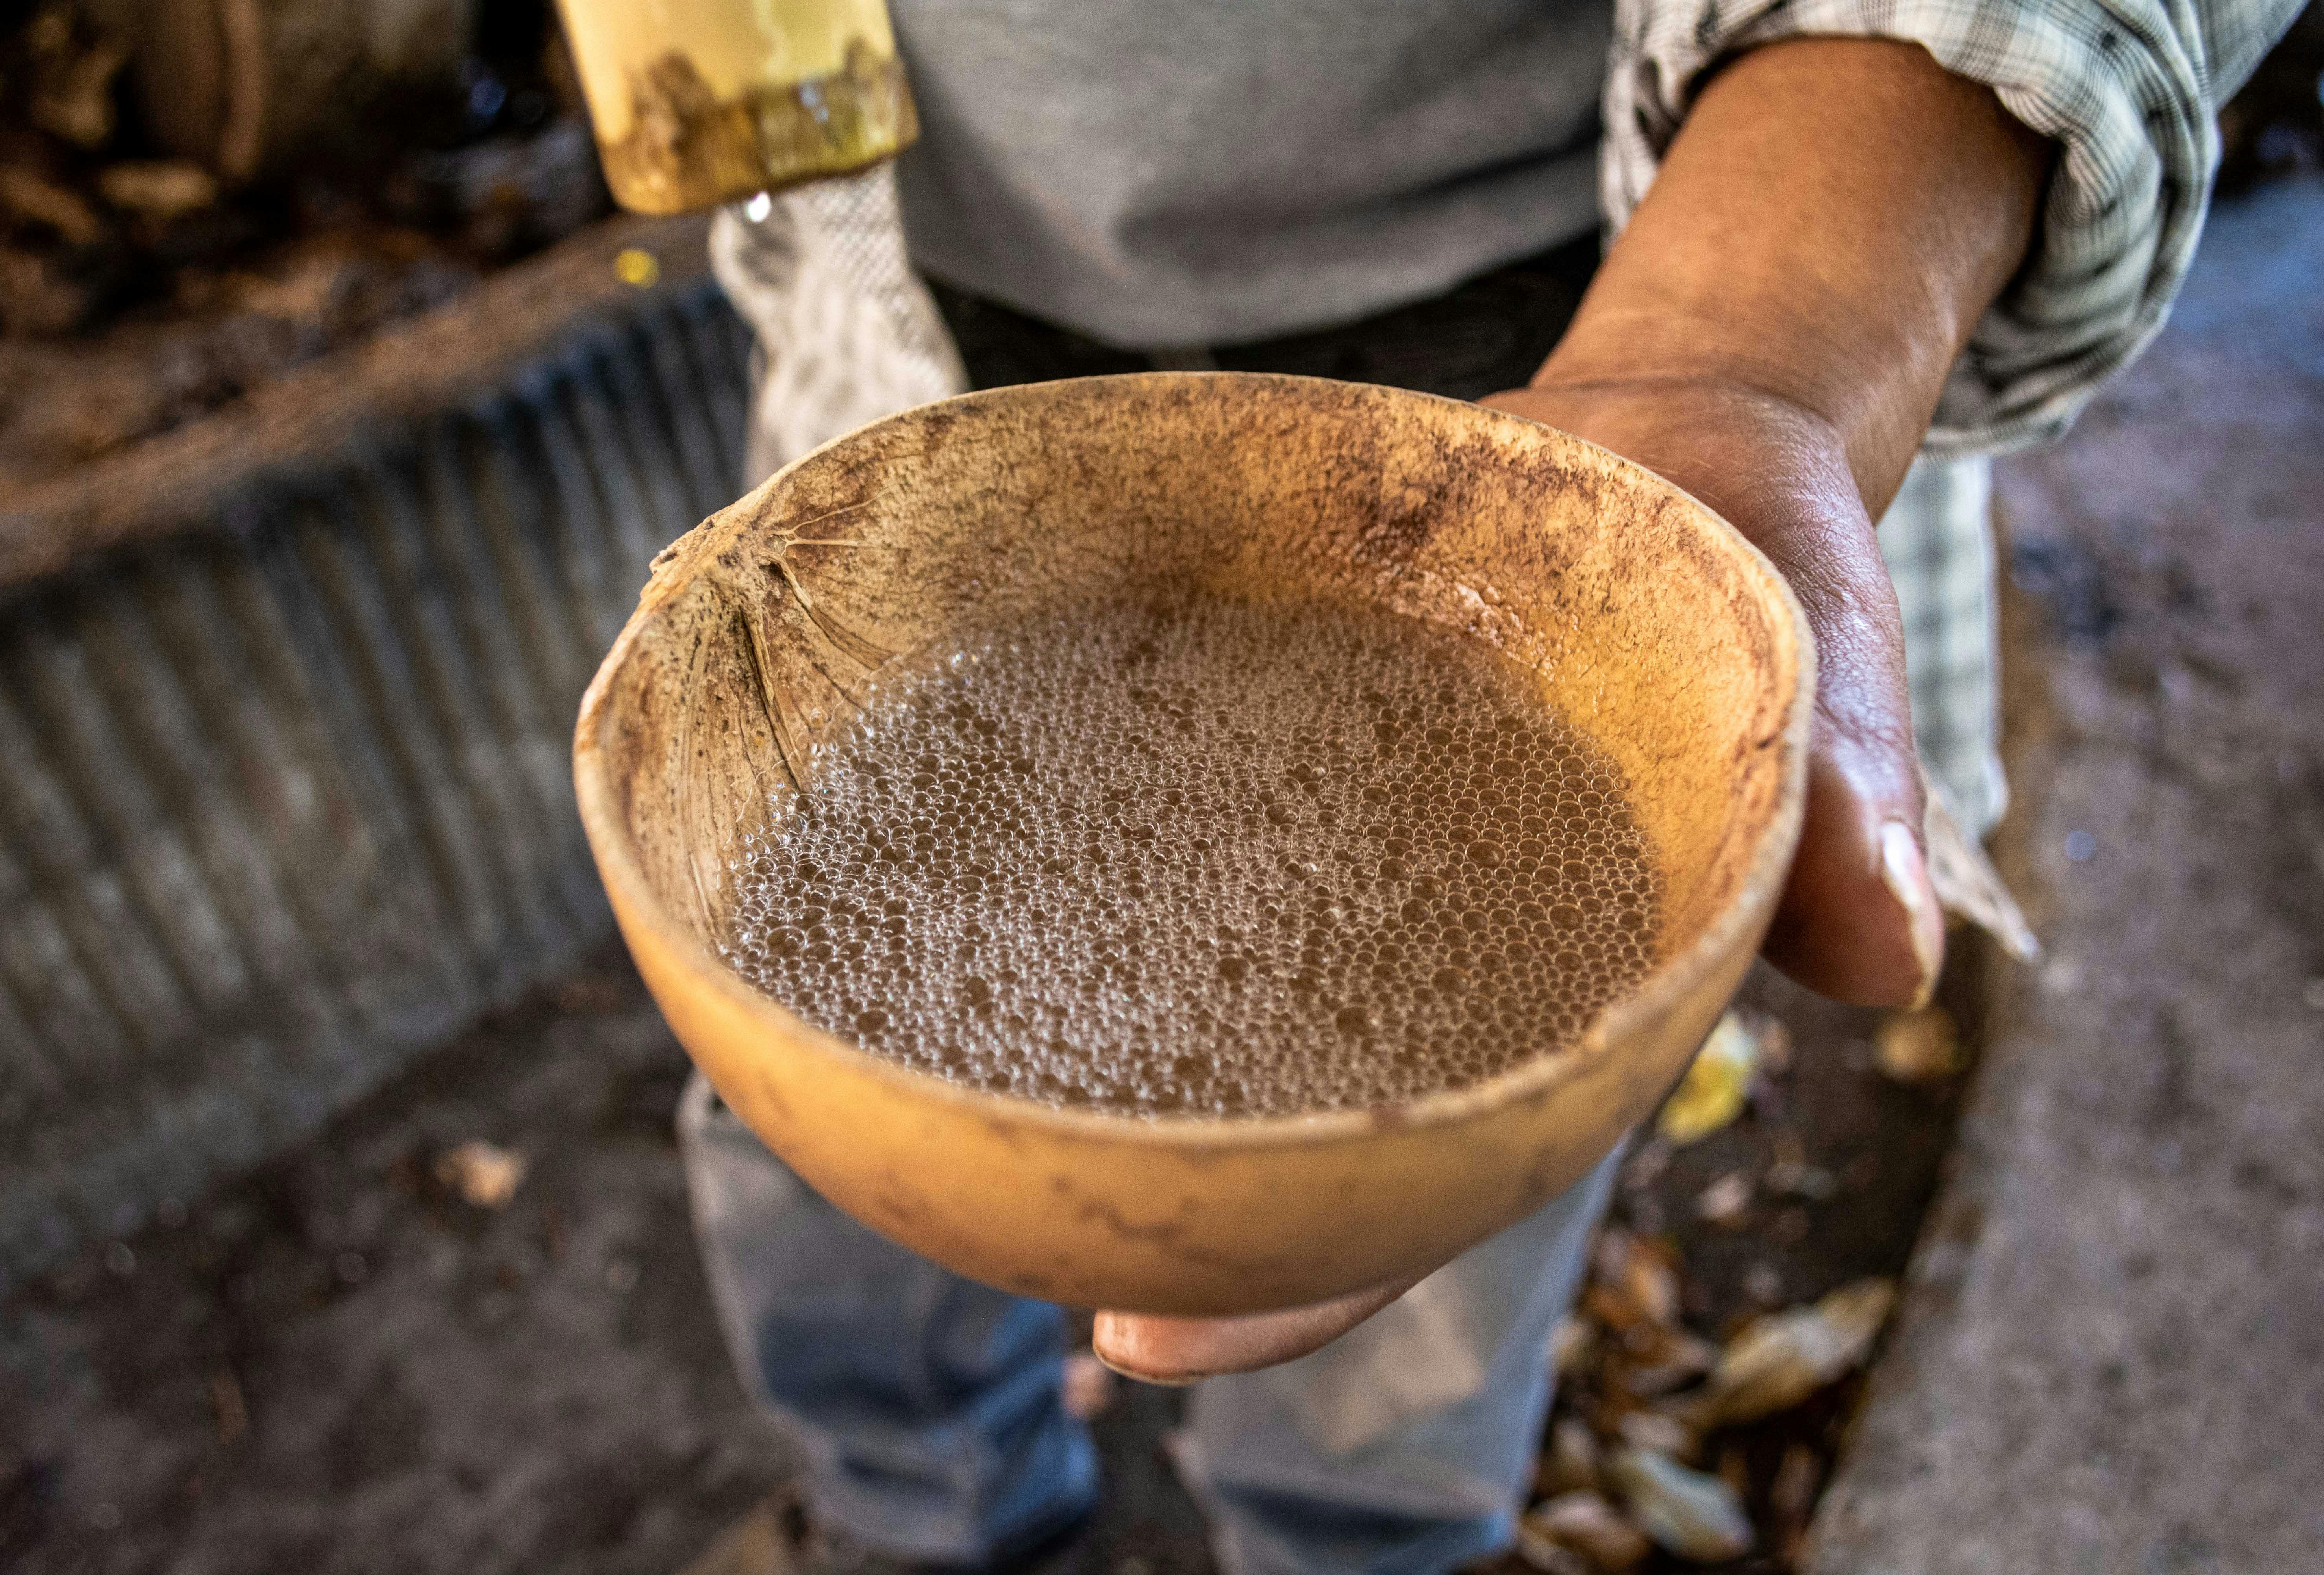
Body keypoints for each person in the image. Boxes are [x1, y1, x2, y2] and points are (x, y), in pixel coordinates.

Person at [675, 2, 2300, 1570]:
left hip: (1588, 320)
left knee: (1430, 1241)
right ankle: (909, 1503)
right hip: (901, 312)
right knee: (797, 1115)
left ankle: (1352, 1549)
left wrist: (1745, 353)